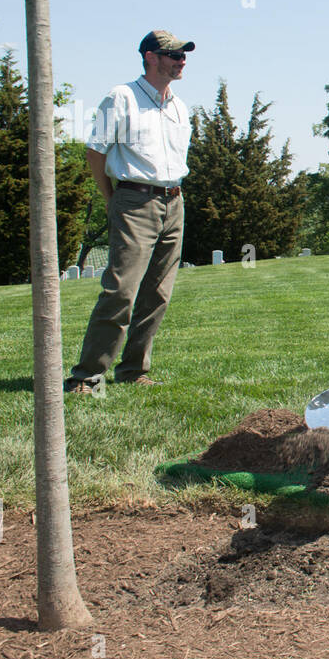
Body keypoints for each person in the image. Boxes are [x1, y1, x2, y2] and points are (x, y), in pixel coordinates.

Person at [65, 30, 195, 394]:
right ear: (150, 57)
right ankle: (88, 375)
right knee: (121, 289)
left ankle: (134, 369)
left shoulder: (179, 106)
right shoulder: (121, 97)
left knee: (159, 293)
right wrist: (112, 200)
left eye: (184, 55)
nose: (181, 60)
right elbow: (96, 153)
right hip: (133, 200)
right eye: (174, 54)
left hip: (174, 201)